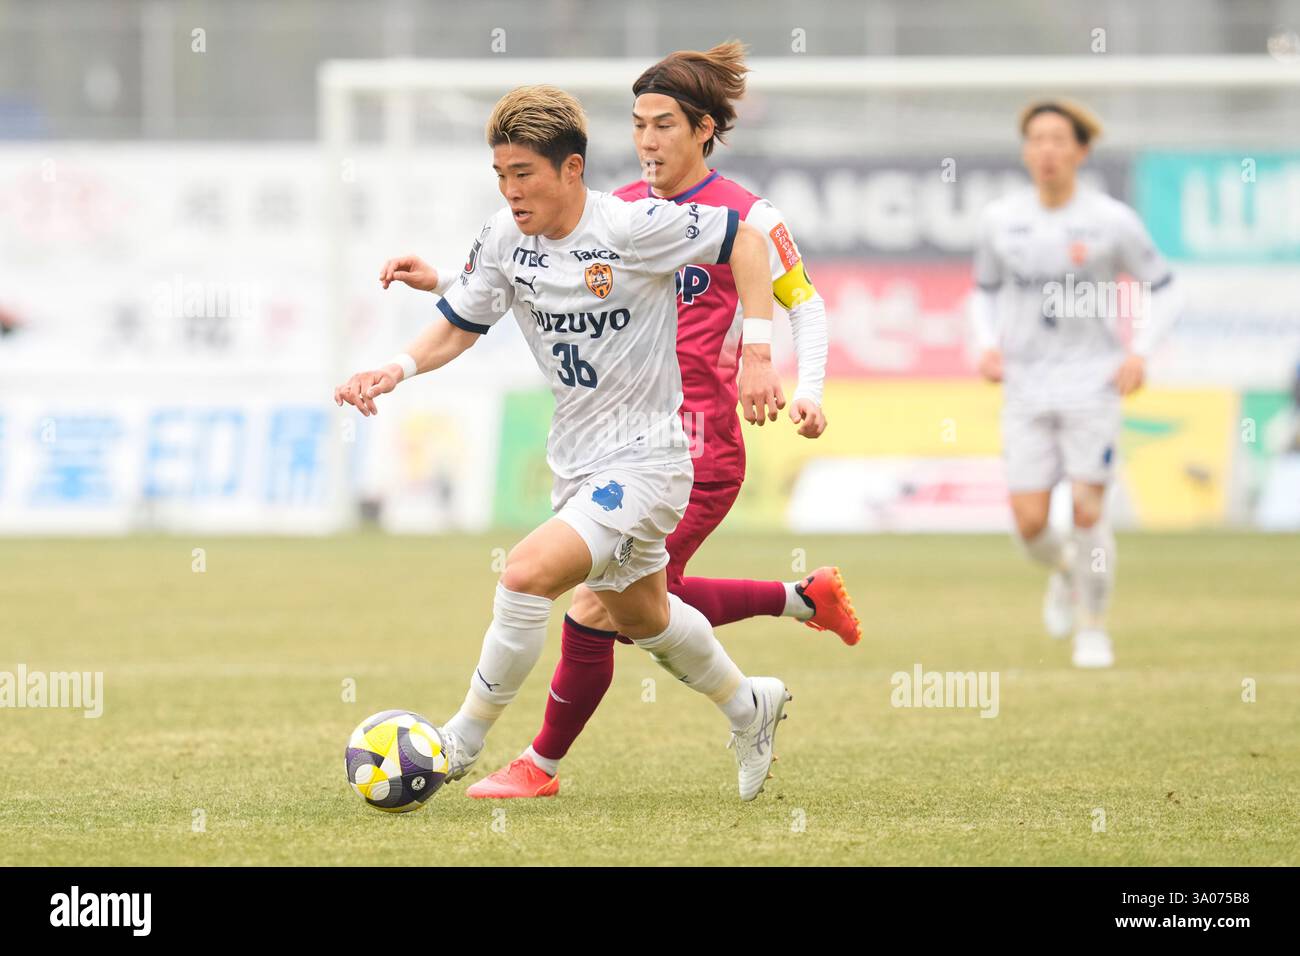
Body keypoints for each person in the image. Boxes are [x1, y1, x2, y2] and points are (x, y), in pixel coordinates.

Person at [338, 84, 790, 800]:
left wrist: (759, 351)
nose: (511, 191)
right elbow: (462, 320)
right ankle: (748, 704)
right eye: (501, 175)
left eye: (524, 174)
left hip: (648, 460)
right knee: (646, 618)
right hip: (577, 462)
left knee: (524, 575)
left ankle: (459, 741)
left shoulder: (633, 226)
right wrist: (394, 368)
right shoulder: (504, 238)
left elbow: (750, 243)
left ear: (571, 169)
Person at [970, 99, 1180, 668]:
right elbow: (983, 291)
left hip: (1093, 384)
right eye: (1037, 139)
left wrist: (1140, 352)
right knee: (1030, 524)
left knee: (1088, 511)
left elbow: (1165, 287)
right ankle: (1065, 571)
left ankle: (1093, 628)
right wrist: (985, 343)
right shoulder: (1000, 220)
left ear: (1081, 151)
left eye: (1059, 140)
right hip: (1025, 385)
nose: (1047, 150)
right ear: (1026, 151)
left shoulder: (1112, 220)